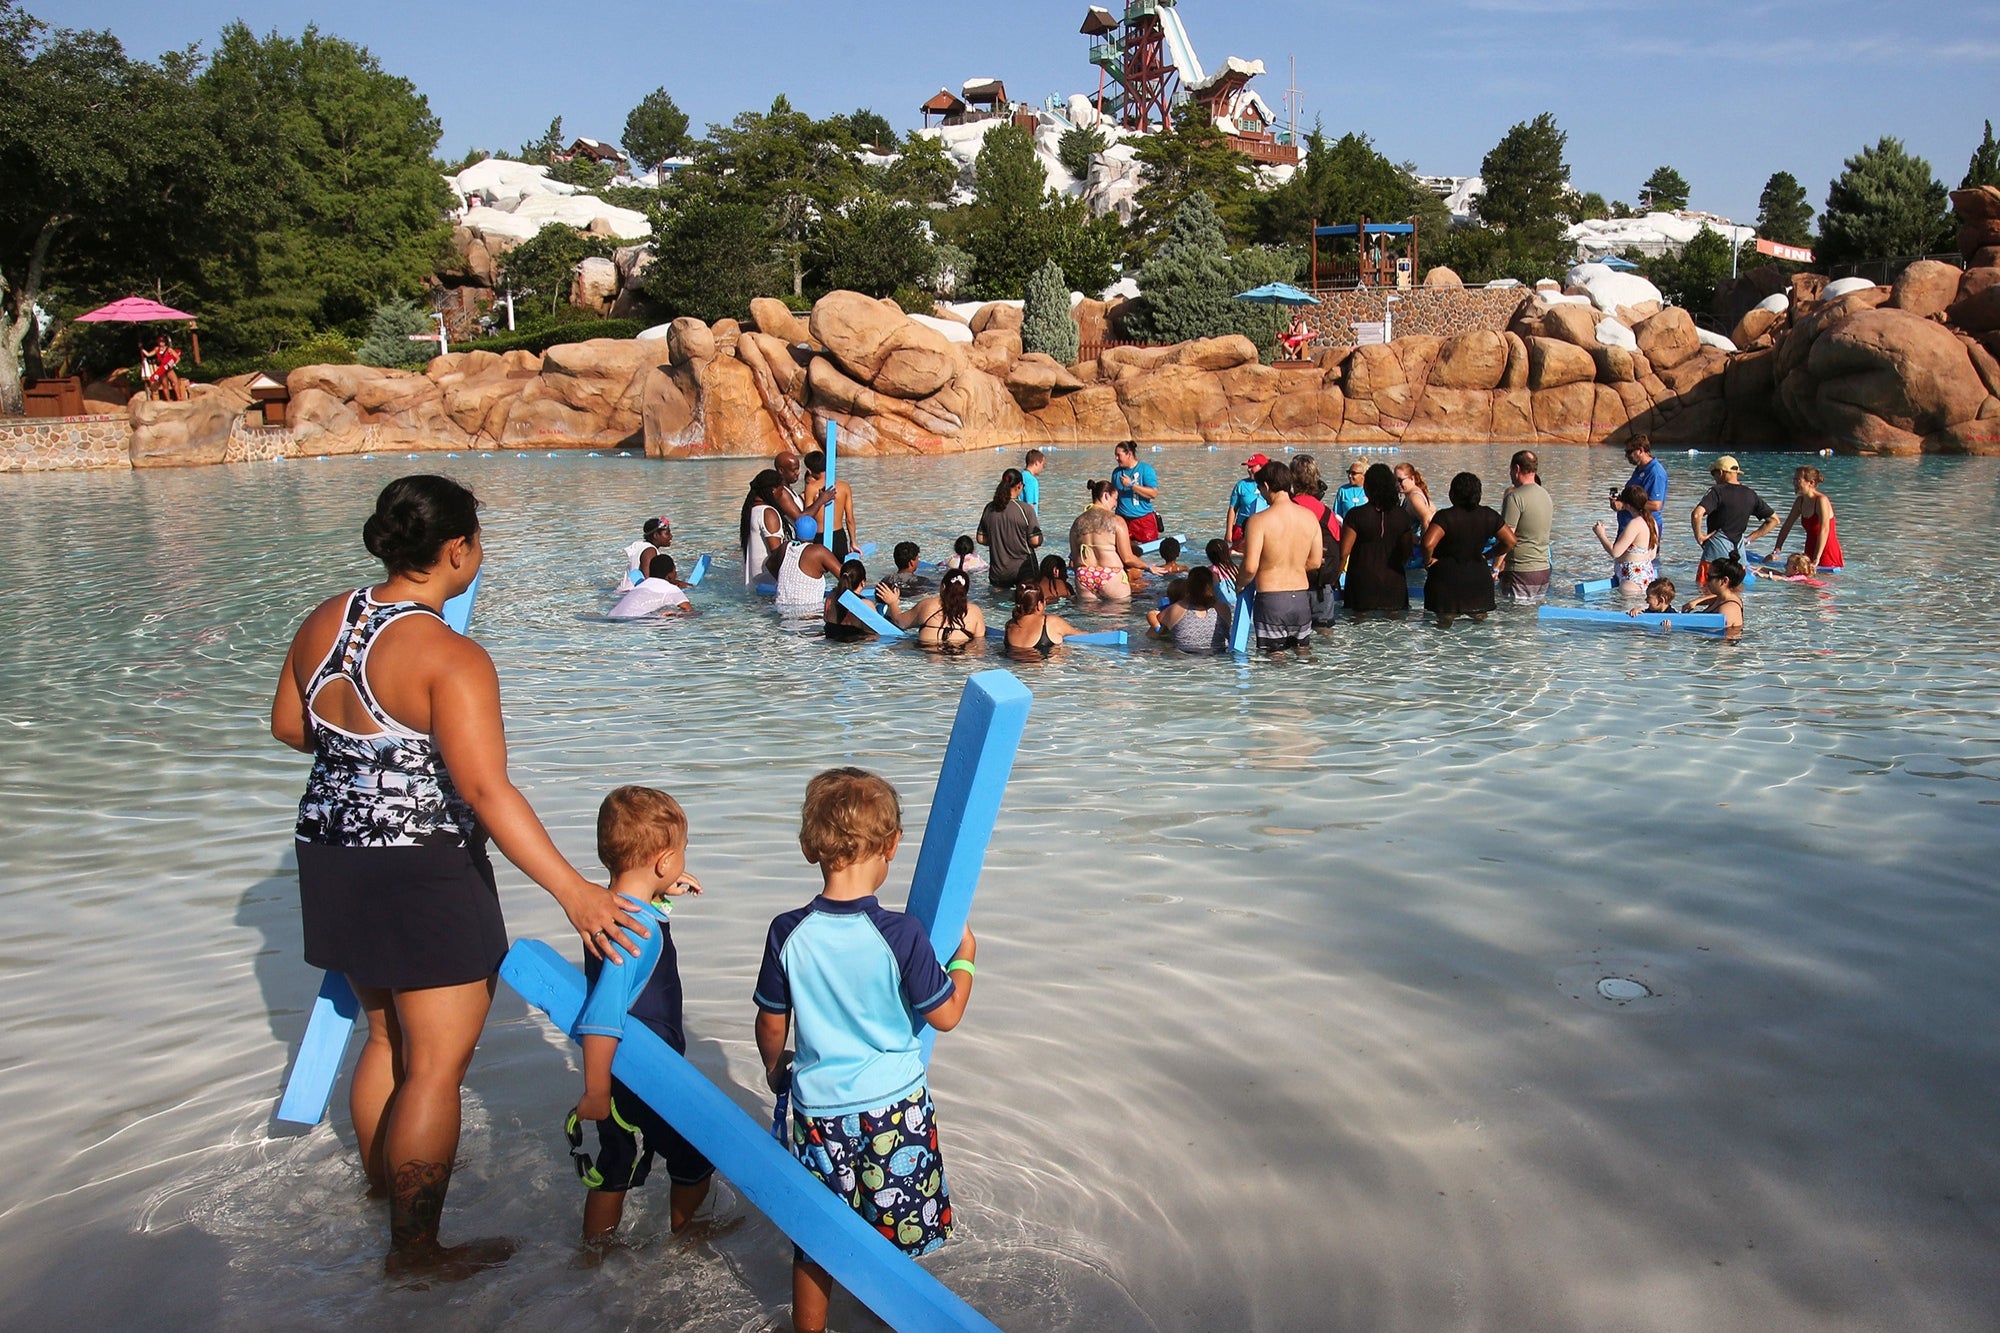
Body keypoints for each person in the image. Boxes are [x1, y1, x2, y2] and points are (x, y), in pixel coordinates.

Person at [271, 475, 646, 1279]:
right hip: (422, 871)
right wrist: (575, 891)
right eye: (478, 539)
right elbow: (485, 789)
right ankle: (416, 1252)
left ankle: (388, 1193)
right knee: (436, 1068)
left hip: (331, 855)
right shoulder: (452, 656)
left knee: (383, 1037)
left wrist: (367, 760)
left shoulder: (329, 616)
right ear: (456, 550)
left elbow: (289, 725)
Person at [754, 769, 976, 1333]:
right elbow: (946, 1016)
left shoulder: (787, 932)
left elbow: (771, 1022)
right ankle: (888, 1318)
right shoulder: (902, 934)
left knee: (818, 1231)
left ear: (811, 847)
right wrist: (966, 959)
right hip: (895, 1113)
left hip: (820, 1114)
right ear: (892, 845)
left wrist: (778, 1071)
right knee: (897, 1227)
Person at [568, 787, 713, 1245]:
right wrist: (595, 1090)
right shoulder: (636, 931)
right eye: (680, 854)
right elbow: (603, 1015)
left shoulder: (612, 914)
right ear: (665, 859)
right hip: (642, 1076)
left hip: (620, 1073)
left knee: (617, 1162)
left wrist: (662, 888)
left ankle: (595, 1251)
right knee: (694, 1158)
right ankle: (687, 1239)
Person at [1238, 460, 1323, 653]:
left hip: (1272, 599)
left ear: (1267, 486)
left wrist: (1240, 583)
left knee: (1275, 662)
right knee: (1303, 654)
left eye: (1260, 488)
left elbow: (1250, 567)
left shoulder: (1258, 521)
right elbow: (1316, 561)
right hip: (1301, 598)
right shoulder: (1309, 517)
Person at [1423, 471, 1516, 628]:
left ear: (1453, 494)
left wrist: (1428, 561)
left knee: (1443, 627)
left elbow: (1427, 544)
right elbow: (1511, 541)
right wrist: (1489, 555)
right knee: (1478, 629)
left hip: (1446, 581)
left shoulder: (1445, 517)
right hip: (1478, 581)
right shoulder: (1489, 515)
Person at [1337, 464, 1412, 616]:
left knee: (1358, 627)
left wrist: (1335, 578)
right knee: (1394, 631)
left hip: (1362, 582)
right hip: (1393, 581)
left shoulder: (1355, 515)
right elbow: (1406, 551)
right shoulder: (1402, 516)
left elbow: (1344, 552)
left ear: (1368, 488)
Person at [1690, 456, 1776, 585]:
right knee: (1735, 591)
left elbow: (1697, 514)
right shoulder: (1750, 494)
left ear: (1720, 472)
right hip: (1739, 550)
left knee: (1705, 589)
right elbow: (1774, 520)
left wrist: (1699, 537)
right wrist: (1748, 539)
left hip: (1716, 548)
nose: (1713, 478)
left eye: (1713, 474)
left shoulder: (1717, 491)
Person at [1494, 450, 1553, 603]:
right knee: (1531, 621)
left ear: (1517, 469)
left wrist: (1494, 567)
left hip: (1520, 572)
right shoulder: (1546, 495)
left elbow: (1507, 539)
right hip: (1543, 571)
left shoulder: (1515, 497)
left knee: (1514, 622)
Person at [1070, 479, 1142, 602]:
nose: (1116, 504)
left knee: (1088, 619)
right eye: (1115, 499)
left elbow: (1075, 560)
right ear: (1106, 495)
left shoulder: (1077, 523)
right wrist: (1149, 567)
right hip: (1110, 575)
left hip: (1084, 576)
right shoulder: (1116, 521)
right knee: (1119, 616)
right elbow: (1128, 558)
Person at [878, 567, 986, 648]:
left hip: (928, 665)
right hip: (961, 664)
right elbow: (979, 648)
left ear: (943, 587)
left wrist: (892, 603)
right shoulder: (975, 612)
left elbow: (899, 622)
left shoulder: (927, 605)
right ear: (966, 592)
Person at [975, 469, 1041, 591]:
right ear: (1019, 486)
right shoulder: (1025, 509)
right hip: (1024, 571)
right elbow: (1035, 541)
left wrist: (998, 540)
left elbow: (981, 538)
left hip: (998, 572)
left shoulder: (989, 508)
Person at [1770, 465, 1844, 570]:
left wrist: (1817, 558)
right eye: (1794, 480)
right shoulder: (1800, 501)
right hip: (1809, 549)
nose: (1794, 483)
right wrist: (1777, 551)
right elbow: (1787, 526)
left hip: (1826, 550)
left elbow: (1824, 530)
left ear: (1811, 483)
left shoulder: (1821, 500)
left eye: (1798, 480)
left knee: (1823, 583)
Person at [1593, 485, 1660, 597]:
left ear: (1627, 505)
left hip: (1631, 579)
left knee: (1628, 612)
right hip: (1647, 576)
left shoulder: (1634, 524)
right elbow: (1652, 555)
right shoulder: (1652, 521)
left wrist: (1601, 534)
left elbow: (1615, 552)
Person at [1146, 565, 1228, 653]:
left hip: (1184, 661)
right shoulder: (1223, 609)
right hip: (1218, 661)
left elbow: (1150, 636)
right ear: (1212, 585)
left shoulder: (1176, 609)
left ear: (1188, 586)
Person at [773, 515, 845, 611]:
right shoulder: (818, 551)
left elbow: (770, 565)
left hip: (782, 612)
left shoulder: (785, 547)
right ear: (814, 532)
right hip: (810, 615)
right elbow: (843, 576)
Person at [800, 450, 857, 559]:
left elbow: (808, 517)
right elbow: (850, 519)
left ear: (809, 470)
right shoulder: (844, 487)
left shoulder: (811, 488)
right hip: (839, 537)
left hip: (819, 537)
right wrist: (853, 542)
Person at [741, 469, 792, 587]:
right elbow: (777, 553)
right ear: (773, 490)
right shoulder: (769, 513)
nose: (783, 493)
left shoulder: (751, 510)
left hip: (755, 583)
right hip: (769, 584)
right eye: (782, 489)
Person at [608, 552, 696, 618]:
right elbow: (690, 612)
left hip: (612, 617)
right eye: (674, 571)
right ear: (669, 576)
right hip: (633, 622)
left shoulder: (639, 586)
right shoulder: (671, 589)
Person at [1002, 583, 1084, 653]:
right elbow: (1081, 636)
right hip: (1044, 669)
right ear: (1039, 605)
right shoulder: (1050, 622)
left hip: (1015, 668)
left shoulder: (1009, 625)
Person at [1110, 440, 1161, 545]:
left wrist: (1131, 485)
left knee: (1149, 553)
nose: (1116, 458)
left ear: (1129, 454)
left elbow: (1154, 493)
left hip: (1143, 520)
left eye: (1118, 455)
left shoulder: (1146, 469)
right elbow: (1113, 496)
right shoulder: (1116, 473)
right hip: (1122, 520)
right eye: (1115, 455)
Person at [1618, 442, 1669, 542]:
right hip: (1629, 525)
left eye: (1629, 452)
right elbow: (1634, 497)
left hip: (1644, 527)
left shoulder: (1655, 473)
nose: (1626, 456)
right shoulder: (1640, 469)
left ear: (1641, 450)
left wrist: (1624, 505)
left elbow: (1656, 505)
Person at [1681, 557, 1746, 634]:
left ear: (1725, 581)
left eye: (1709, 577)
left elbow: (1722, 643)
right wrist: (1696, 602)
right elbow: (1714, 598)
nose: (1706, 581)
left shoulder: (1727, 611)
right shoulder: (1723, 598)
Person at [1223, 454, 1271, 550]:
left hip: (1263, 527)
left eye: (1252, 466)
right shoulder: (1241, 485)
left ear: (1262, 467)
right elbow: (1233, 508)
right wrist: (1229, 532)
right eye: (1248, 467)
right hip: (1241, 528)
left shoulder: (1271, 484)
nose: (1248, 469)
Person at [822, 561, 877, 640]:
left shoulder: (830, 598)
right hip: (854, 649)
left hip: (830, 643)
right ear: (863, 583)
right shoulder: (865, 604)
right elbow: (877, 633)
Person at [624, 516, 674, 585]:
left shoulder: (641, 546)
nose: (671, 536)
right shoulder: (650, 551)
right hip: (634, 592)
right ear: (656, 535)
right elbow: (648, 581)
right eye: (667, 533)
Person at [1393, 462, 1436, 538]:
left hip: (1414, 547)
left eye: (1400, 480)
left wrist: (1424, 543)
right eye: (1395, 480)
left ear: (1412, 478)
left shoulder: (1414, 497)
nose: (1397, 484)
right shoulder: (1413, 494)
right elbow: (1433, 510)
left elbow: (1427, 518)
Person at [1750, 553, 1825, 585]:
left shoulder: (1800, 578)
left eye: (1787, 564)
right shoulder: (1795, 574)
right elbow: (1778, 573)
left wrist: (1763, 575)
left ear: (1795, 569)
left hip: (1820, 588)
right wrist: (1760, 568)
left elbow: (1782, 578)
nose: (1785, 566)